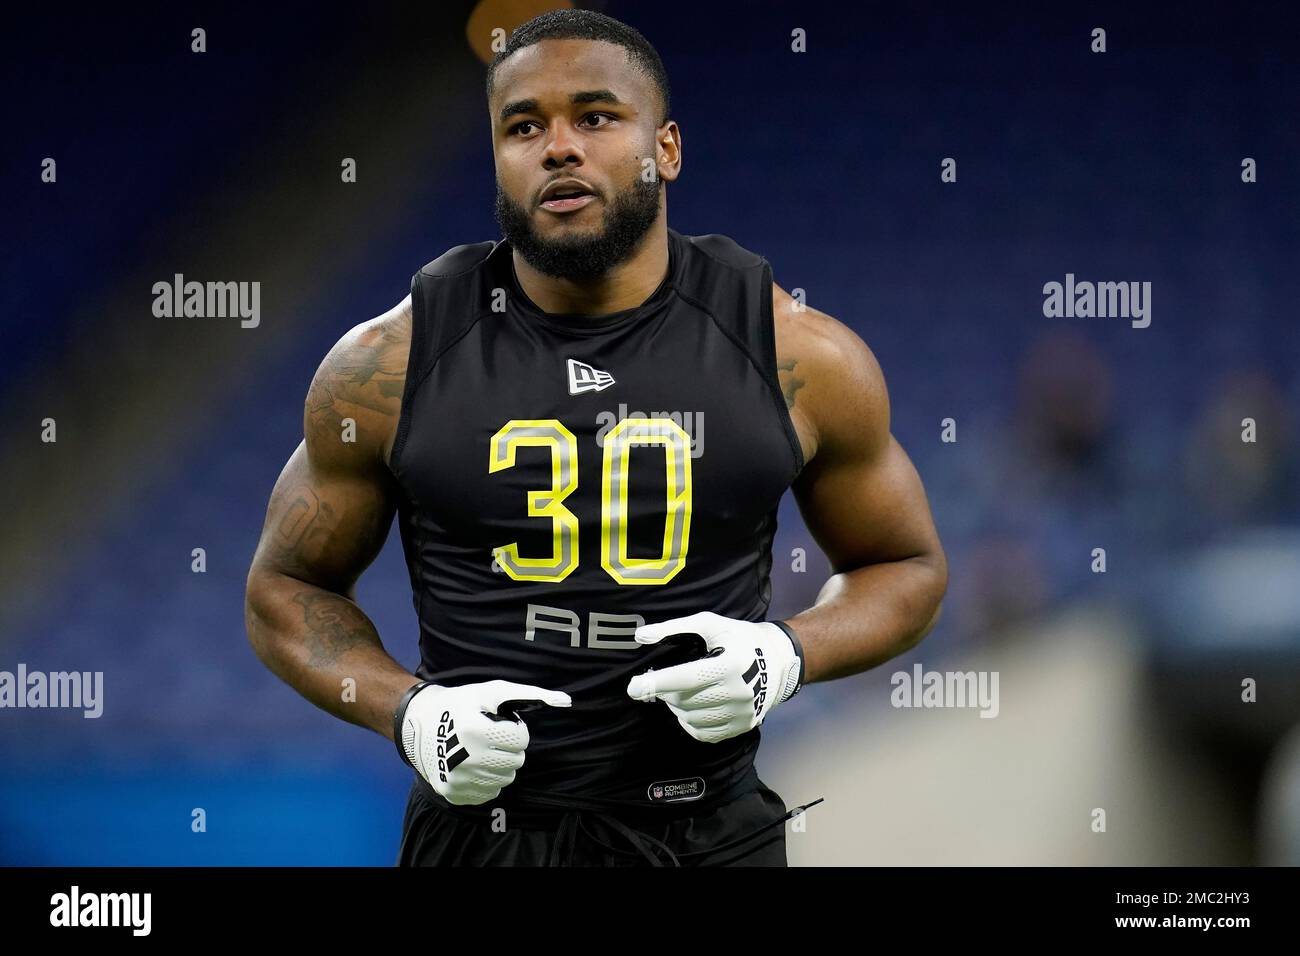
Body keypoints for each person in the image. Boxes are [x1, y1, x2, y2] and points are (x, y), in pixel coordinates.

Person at [244, 9, 946, 867]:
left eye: (596, 117)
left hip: (707, 834)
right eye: (523, 126)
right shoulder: (389, 363)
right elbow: (283, 589)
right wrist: (410, 711)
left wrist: (786, 654)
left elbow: (906, 567)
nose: (559, 147)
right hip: (484, 837)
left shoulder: (797, 353)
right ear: (498, 162)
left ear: (669, 149)